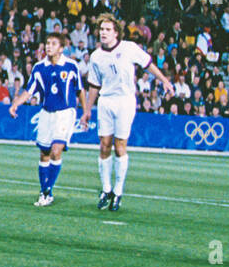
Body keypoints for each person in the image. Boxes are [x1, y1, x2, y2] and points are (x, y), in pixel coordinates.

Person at [80, 14, 174, 211]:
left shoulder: (129, 48)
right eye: (101, 30)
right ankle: (106, 189)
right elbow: (94, 86)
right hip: (106, 102)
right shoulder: (96, 56)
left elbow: (148, 65)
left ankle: (118, 191)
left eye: (107, 30)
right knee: (104, 145)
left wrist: (165, 81)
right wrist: (87, 110)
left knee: (119, 145)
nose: (103, 33)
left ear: (116, 33)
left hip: (125, 102)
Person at [9, 33, 86, 207]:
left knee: (56, 150)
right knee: (44, 154)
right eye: (47, 43)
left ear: (61, 48)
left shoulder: (71, 65)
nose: (48, 46)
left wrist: (85, 111)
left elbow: (80, 90)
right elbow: (30, 91)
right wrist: (16, 104)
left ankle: (46, 191)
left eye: (53, 43)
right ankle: (46, 191)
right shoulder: (39, 67)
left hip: (65, 113)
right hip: (46, 113)